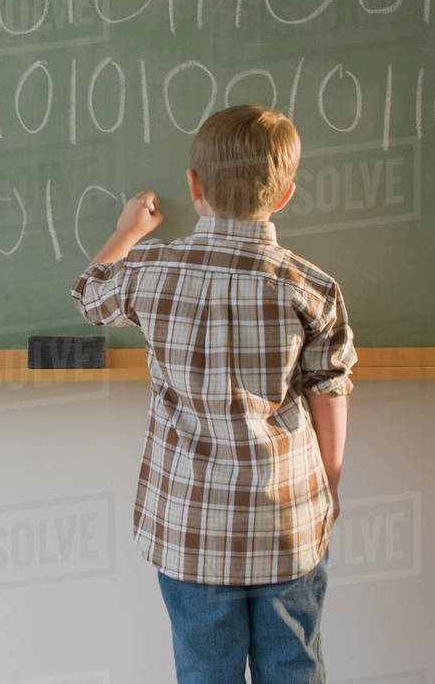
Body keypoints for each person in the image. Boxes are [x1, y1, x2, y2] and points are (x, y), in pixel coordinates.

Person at [71, 103, 356, 684]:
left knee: (205, 670)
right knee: (293, 664)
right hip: (288, 517)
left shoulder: (152, 268)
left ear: (193, 185)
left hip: (190, 523)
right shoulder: (312, 287)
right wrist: (329, 482)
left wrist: (129, 231)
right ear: (284, 196)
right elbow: (330, 389)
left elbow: (90, 294)